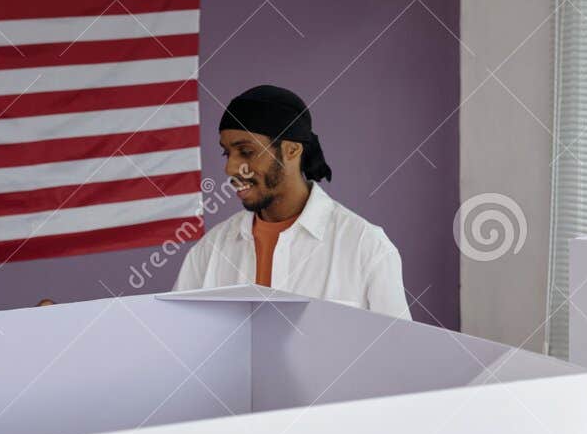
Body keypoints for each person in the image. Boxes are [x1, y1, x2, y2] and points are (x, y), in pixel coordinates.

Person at [173, 85, 412, 318]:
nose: (230, 167)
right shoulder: (210, 250)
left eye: (246, 152)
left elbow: (398, 354)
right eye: (227, 153)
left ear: (291, 150)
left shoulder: (367, 247)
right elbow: (180, 343)